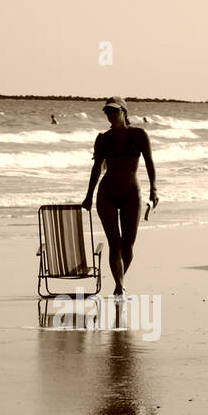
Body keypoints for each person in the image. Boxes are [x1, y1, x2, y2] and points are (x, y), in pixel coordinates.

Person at [82, 97, 157, 296]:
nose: (111, 115)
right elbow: (97, 168)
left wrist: (154, 190)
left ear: (124, 112)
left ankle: (120, 279)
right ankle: (119, 286)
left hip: (132, 194)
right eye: (107, 111)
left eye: (115, 111)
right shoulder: (103, 139)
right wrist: (89, 196)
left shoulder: (139, 135)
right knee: (114, 243)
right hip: (107, 195)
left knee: (128, 244)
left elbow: (149, 163)